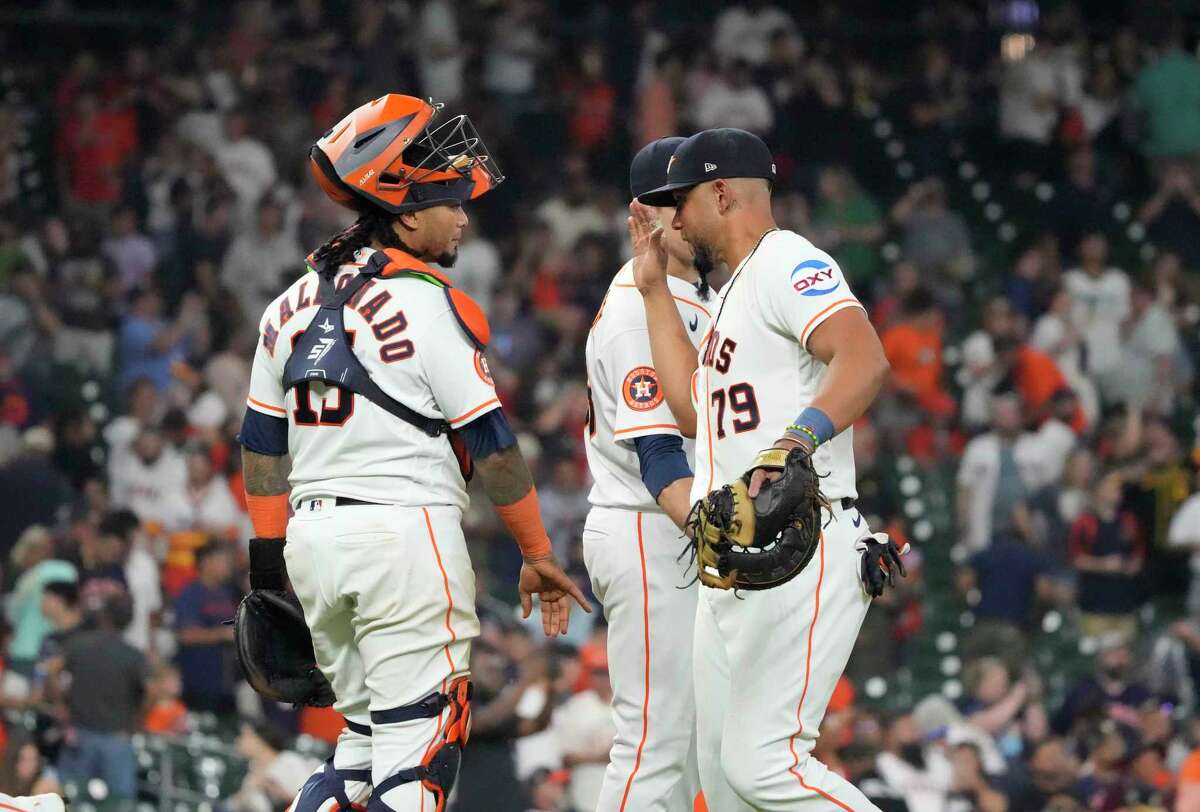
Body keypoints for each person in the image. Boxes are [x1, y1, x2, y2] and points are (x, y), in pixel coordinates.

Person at [238, 93, 587, 812]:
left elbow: (262, 447)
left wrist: (268, 567)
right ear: (404, 213)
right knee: (421, 754)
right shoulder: (429, 303)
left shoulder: (287, 306)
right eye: (451, 200)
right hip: (404, 539)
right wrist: (536, 550)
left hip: (313, 544)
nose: (463, 215)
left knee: (360, 753)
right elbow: (491, 445)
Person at [634, 127, 893, 809]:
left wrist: (797, 442)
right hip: (736, 556)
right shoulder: (730, 298)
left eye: (680, 200)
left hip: (804, 541)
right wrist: (655, 292)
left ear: (722, 194)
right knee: (721, 785)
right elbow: (693, 413)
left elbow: (864, 359)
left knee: (763, 767)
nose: (673, 217)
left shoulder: (787, 262)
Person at [580, 136, 710, 811]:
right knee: (654, 744)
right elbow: (660, 454)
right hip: (648, 528)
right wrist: (723, 534)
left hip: (677, 533)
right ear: (645, 215)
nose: (693, 216)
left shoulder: (693, 293)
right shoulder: (638, 303)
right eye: (679, 202)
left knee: (694, 747)